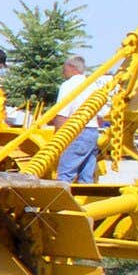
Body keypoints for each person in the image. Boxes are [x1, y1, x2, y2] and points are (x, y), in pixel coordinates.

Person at [54, 54, 106, 184]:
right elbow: (101, 116)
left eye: (64, 67)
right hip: (92, 133)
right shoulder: (93, 86)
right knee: (86, 176)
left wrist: (58, 139)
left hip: (75, 132)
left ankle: (60, 204)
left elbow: (62, 113)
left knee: (65, 176)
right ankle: (84, 202)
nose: (62, 71)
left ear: (71, 67)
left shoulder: (68, 85)